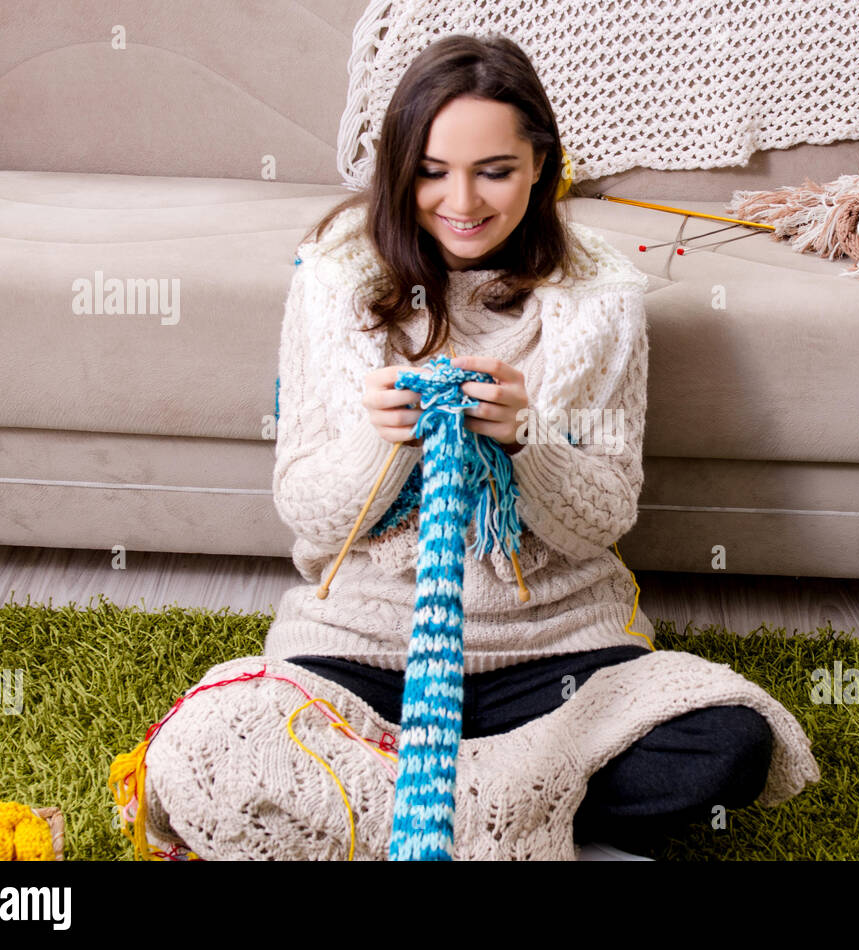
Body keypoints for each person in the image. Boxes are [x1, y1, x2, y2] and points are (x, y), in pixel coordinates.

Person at [141, 33, 814, 862]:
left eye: (494, 170)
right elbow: (308, 511)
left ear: (541, 165)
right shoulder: (332, 283)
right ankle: (539, 815)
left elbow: (601, 518)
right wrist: (376, 446)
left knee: (728, 742)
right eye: (431, 171)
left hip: (554, 656)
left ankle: (403, 811)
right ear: (399, 171)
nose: (462, 200)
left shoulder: (600, 297)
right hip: (365, 647)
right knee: (206, 750)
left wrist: (528, 443)